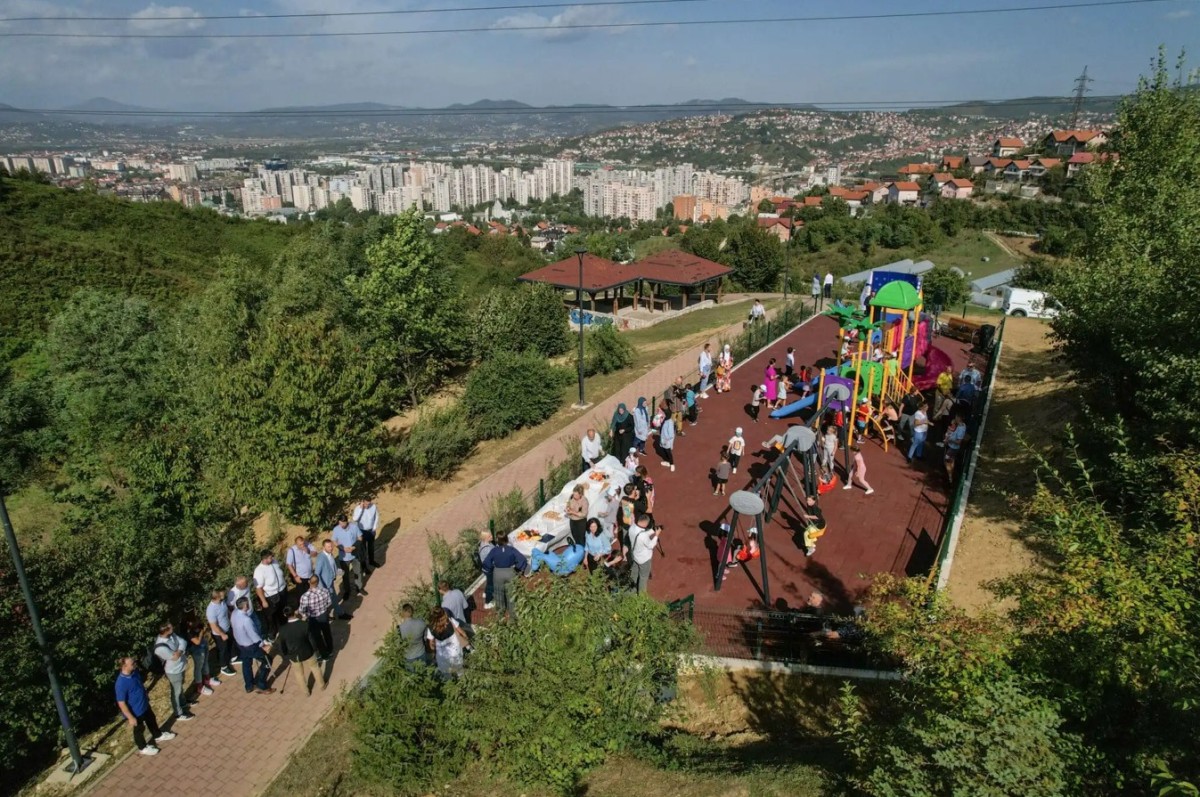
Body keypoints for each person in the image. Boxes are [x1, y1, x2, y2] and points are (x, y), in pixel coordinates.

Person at [115, 657, 176, 756]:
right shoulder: (121, 683)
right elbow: (121, 703)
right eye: (132, 663)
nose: (135, 663)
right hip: (135, 711)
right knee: (139, 730)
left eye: (134, 662)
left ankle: (157, 735)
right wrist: (130, 717)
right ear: (124, 666)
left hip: (144, 704)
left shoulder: (134, 672)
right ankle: (142, 747)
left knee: (151, 720)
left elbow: (139, 685)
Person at [276, 606, 327, 695]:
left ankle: (306, 692)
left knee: (299, 674)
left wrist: (286, 654)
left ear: (285, 615)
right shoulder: (304, 625)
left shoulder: (282, 630)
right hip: (308, 652)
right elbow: (311, 639)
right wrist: (314, 649)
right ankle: (322, 685)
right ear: (295, 612)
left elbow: (282, 645)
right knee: (315, 668)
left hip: (294, 655)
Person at [231, 596, 274, 694]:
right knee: (267, 661)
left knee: (246, 663)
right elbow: (253, 634)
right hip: (250, 646)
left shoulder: (234, 613)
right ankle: (261, 685)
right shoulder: (246, 620)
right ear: (245, 606)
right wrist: (262, 645)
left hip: (240, 644)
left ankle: (249, 685)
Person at [154, 622, 195, 722]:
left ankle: (183, 702)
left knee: (180, 686)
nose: (173, 628)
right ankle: (178, 713)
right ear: (165, 630)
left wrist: (179, 651)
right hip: (173, 671)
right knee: (176, 691)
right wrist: (179, 651)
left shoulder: (172, 635)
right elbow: (174, 657)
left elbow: (183, 642)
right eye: (171, 627)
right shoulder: (160, 647)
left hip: (181, 666)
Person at [481, 532, 527, 620]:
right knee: (512, 595)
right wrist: (517, 569)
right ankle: (513, 617)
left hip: (497, 573)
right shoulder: (511, 550)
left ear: (497, 540)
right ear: (506, 539)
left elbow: (486, 563)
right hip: (510, 572)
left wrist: (491, 569)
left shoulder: (494, 550)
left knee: (498, 594)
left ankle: (500, 616)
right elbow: (522, 560)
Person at [253, 548, 287, 640]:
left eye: (271, 557)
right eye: (269, 558)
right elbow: (258, 588)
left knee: (282, 610)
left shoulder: (274, 562)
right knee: (271, 616)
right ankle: (272, 634)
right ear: (264, 559)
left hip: (282, 590)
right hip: (271, 596)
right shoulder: (259, 571)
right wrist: (263, 601)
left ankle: (284, 627)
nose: (272, 559)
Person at [298, 576, 334, 662]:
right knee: (327, 633)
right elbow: (329, 603)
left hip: (313, 618)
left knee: (317, 637)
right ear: (318, 582)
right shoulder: (325, 591)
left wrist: (305, 615)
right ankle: (330, 650)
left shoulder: (305, 596)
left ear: (309, 582)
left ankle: (324, 655)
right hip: (323, 615)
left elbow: (302, 610)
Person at [425, 607, 468, 678]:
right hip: (455, 653)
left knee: (446, 675)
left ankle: (450, 686)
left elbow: (431, 645)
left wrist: (434, 654)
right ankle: (462, 684)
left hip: (442, 656)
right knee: (460, 671)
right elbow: (462, 632)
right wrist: (466, 638)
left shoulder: (430, 628)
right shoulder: (450, 621)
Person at [332, 515, 366, 600]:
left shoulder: (354, 527)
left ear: (347, 521)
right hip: (343, 557)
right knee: (345, 575)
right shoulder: (336, 529)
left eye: (343, 523)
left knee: (357, 572)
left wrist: (354, 547)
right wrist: (342, 548)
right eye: (340, 523)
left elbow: (360, 537)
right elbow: (334, 541)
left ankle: (359, 588)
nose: (341, 525)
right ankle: (347, 591)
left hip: (355, 554)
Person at [183, 614, 218, 699]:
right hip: (197, 650)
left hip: (203, 644)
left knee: (205, 663)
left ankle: (207, 679)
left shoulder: (197, 624)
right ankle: (199, 686)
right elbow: (197, 642)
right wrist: (201, 633)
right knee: (199, 667)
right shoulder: (189, 632)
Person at [315, 538, 351, 620]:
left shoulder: (330, 554)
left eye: (331, 546)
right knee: (326, 601)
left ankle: (339, 613)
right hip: (325, 585)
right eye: (328, 547)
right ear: (323, 547)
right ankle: (326, 616)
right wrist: (322, 587)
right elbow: (317, 573)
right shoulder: (321, 558)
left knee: (333, 598)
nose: (331, 548)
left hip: (330, 582)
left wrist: (339, 572)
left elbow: (331, 567)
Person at [627, 515, 661, 594]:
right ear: (646, 524)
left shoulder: (632, 527)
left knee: (634, 574)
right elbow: (651, 545)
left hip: (634, 556)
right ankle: (641, 597)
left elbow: (640, 534)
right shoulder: (643, 536)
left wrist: (652, 531)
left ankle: (631, 591)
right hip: (644, 560)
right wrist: (656, 535)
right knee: (643, 578)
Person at [206, 588, 236, 678]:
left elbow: (227, 612)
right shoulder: (211, 610)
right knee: (222, 650)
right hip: (219, 634)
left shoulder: (222, 602)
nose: (224, 596)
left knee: (230, 645)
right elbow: (214, 625)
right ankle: (224, 667)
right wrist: (222, 634)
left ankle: (232, 658)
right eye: (222, 595)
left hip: (228, 628)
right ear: (216, 597)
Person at [284, 535, 316, 608]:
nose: (302, 546)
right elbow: (289, 564)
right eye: (300, 545)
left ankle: (312, 607)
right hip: (300, 576)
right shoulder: (292, 550)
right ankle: (304, 609)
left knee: (311, 593)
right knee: (302, 595)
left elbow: (315, 554)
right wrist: (295, 576)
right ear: (296, 544)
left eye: (303, 544)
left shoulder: (308, 545)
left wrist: (308, 551)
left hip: (310, 575)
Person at [352, 498, 382, 571]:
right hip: (361, 531)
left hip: (371, 530)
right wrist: (361, 509)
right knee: (363, 550)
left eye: (369, 504)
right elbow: (355, 519)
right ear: (362, 502)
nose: (367, 505)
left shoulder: (374, 506)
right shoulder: (357, 508)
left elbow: (376, 517)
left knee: (371, 548)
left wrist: (374, 528)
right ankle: (364, 567)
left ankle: (372, 561)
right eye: (366, 504)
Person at [398, 604, 430, 669]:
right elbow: (426, 638)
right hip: (421, 652)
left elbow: (399, 645)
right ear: (412, 611)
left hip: (409, 656)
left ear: (403, 612)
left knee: (413, 677)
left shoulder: (400, 629)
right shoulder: (421, 623)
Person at [478, 530, 496, 610]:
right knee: (491, 586)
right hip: (490, 569)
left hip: (485, 568)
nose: (492, 536)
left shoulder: (483, 544)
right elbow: (493, 559)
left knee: (489, 582)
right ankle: (488, 602)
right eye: (489, 536)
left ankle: (485, 593)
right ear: (485, 538)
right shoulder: (488, 548)